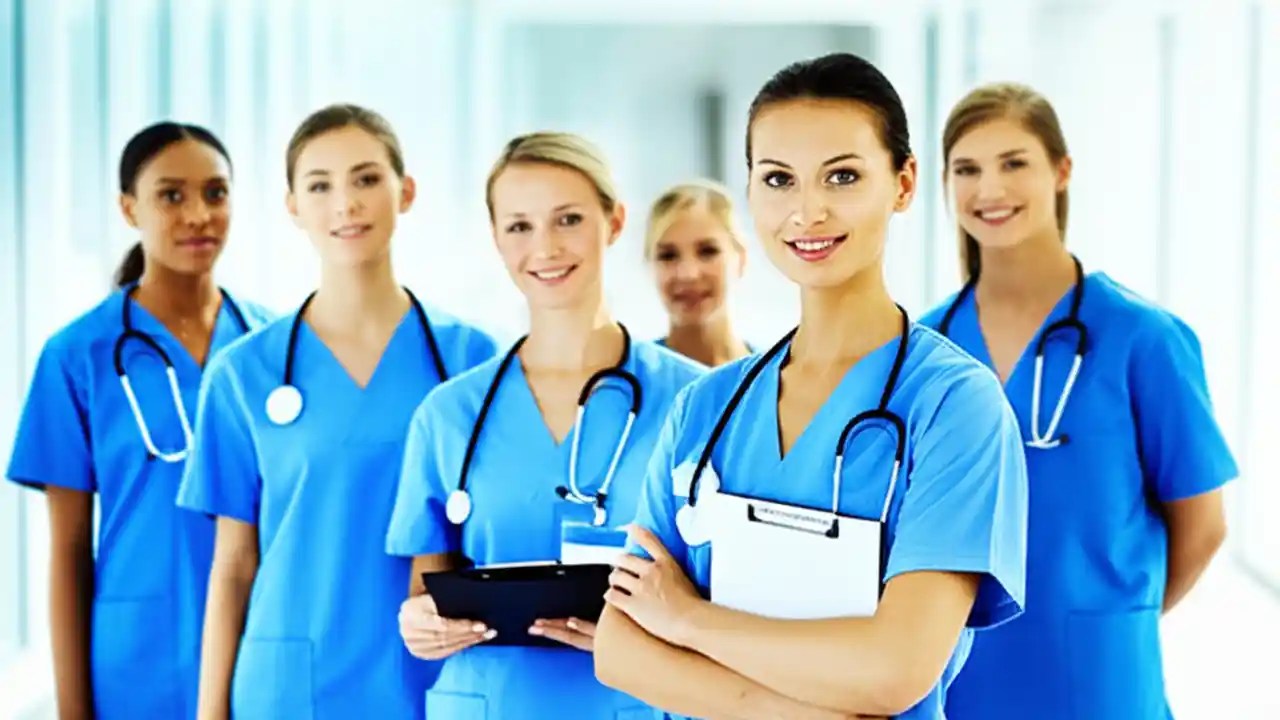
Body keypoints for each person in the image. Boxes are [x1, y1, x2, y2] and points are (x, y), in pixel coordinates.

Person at [591, 52, 1030, 720]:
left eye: (844, 176)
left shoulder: (953, 405)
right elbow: (620, 649)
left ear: (904, 183)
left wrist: (686, 620)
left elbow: (894, 669)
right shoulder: (703, 410)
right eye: (778, 179)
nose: (807, 211)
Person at [921, 82, 1236, 720]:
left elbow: (1203, 525)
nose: (989, 189)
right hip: (955, 675)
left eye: (1014, 163)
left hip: (1100, 677)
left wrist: (1116, 617)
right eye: (968, 169)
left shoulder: (1143, 339)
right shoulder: (927, 349)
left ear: (1061, 171)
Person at [176, 103, 498, 720]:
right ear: (292, 206)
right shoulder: (245, 373)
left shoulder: (471, 360)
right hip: (288, 682)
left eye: (366, 179)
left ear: (405, 192)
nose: (345, 203)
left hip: (430, 676)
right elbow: (233, 566)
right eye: (319, 185)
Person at [386, 131, 705, 719]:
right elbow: (425, 587)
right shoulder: (450, 413)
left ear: (614, 222)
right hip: (489, 700)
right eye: (519, 226)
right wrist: (420, 624)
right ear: (496, 240)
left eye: (568, 219)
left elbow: (722, 588)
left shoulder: (696, 400)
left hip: (631, 700)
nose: (545, 247)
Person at [5, 121, 273, 719]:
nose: (198, 214)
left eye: (216, 192)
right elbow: (69, 548)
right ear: (129, 209)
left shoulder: (273, 350)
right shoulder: (79, 355)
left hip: (260, 644)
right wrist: (73, 711)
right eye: (171, 195)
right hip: (136, 659)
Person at [644, 179, 753, 366]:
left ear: (741, 259)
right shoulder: (628, 382)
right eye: (668, 256)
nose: (688, 274)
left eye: (708, 252)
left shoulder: (776, 377)